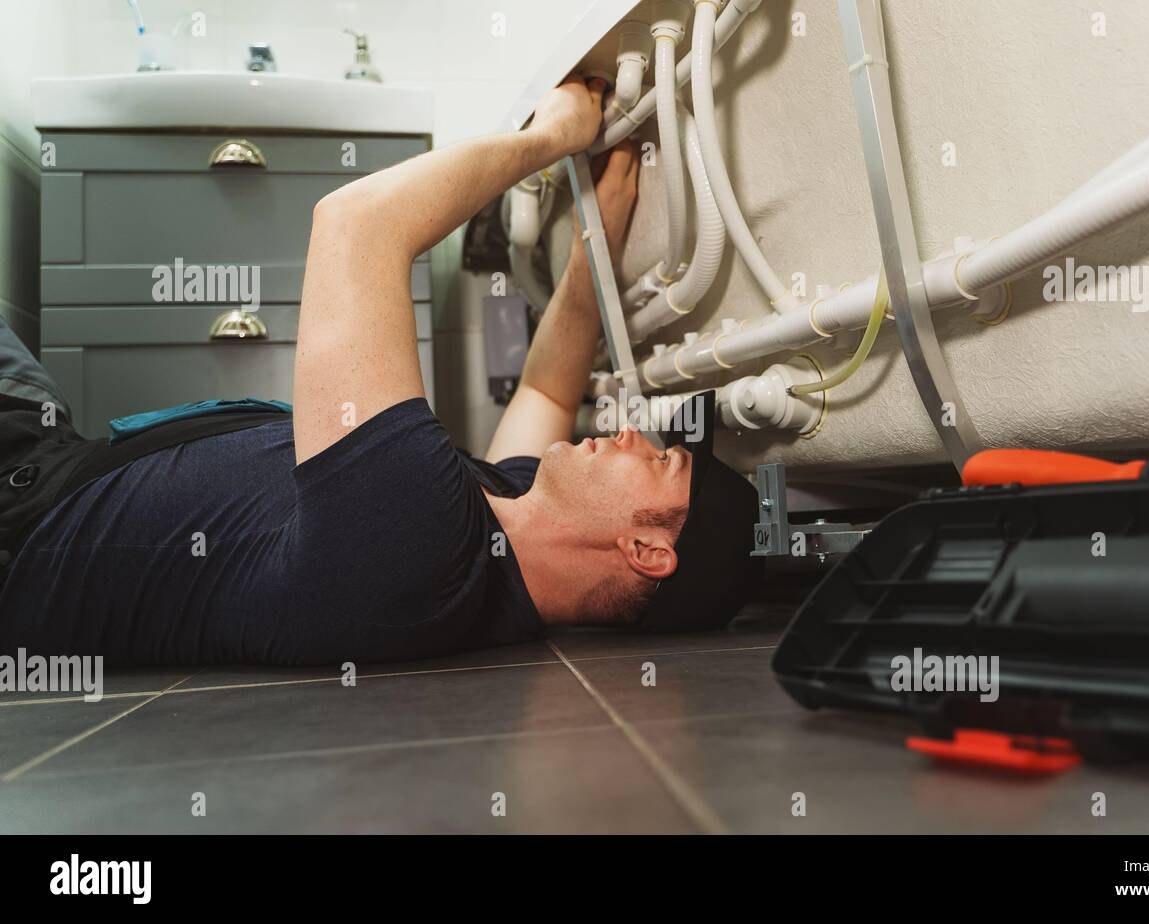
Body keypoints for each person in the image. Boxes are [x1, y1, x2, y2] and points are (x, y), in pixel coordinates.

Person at [0, 76, 758, 666]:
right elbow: (546, 387)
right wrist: (603, 223)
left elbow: (356, 222)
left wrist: (554, 136)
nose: (628, 433)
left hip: (19, 516)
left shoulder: (419, 552)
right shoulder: (499, 522)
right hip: (51, 448)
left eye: (660, 461)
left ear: (647, 550)